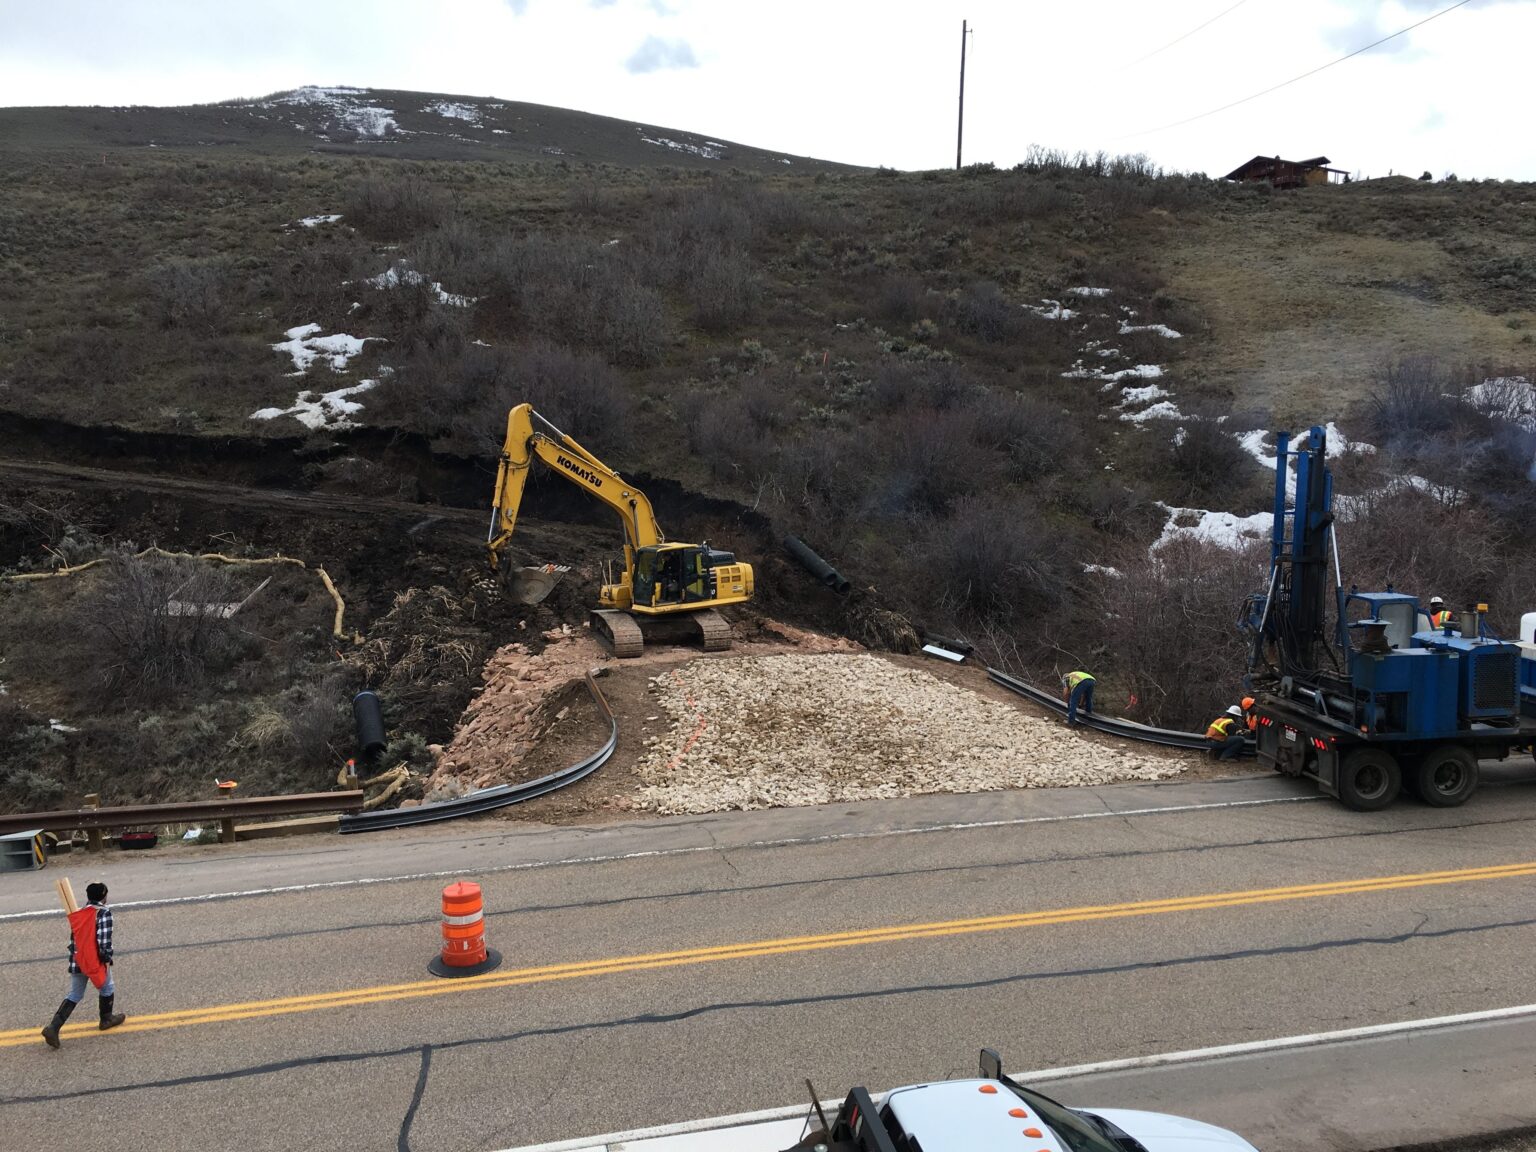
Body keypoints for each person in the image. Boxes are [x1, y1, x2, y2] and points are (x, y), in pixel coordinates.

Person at [41, 881, 125, 1049]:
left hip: (79, 959)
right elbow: (103, 940)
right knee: (107, 987)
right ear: (104, 896)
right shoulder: (104, 913)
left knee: (75, 994)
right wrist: (107, 958)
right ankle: (106, 1018)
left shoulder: (78, 913)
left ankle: (53, 1027)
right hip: (95, 961)